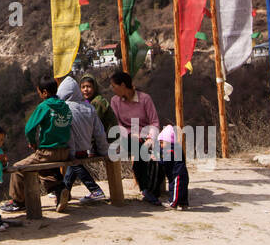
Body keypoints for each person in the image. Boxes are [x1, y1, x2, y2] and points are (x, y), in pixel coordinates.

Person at [1, 77, 73, 214]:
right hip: (64, 151)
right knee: (45, 169)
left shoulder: (44, 106)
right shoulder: (64, 106)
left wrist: (33, 142)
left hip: (48, 152)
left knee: (17, 168)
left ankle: (17, 202)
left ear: (45, 92)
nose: (39, 95)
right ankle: (60, 191)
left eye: (39, 92)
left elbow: (29, 128)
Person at [109, 70, 163, 205]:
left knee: (159, 156)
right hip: (127, 137)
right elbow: (117, 123)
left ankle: (152, 189)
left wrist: (151, 138)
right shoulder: (115, 101)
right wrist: (130, 134)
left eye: (114, 86)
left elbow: (154, 122)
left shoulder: (145, 99)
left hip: (146, 136)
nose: (112, 89)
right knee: (138, 149)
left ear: (122, 85)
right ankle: (145, 189)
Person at [57, 80, 108, 204]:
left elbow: (69, 135)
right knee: (73, 166)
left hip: (73, 151)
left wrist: (71, 154)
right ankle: (65, 190)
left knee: (73, 163)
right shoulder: (89, 107)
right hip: (86, 150)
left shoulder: (64, 109)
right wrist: (104, 151)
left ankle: (95, 189)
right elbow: (99, 132)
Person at [157, 125, 190, 209]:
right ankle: (183, 203)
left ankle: (173, 203)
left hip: (177, 174)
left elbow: (165, 161)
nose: (160, 145)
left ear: (168, 141)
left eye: (161, 142)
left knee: (175, 189)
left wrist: (157, 160)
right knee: (181, 190)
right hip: (180, 173)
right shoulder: (176, 148)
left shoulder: (171, 150)